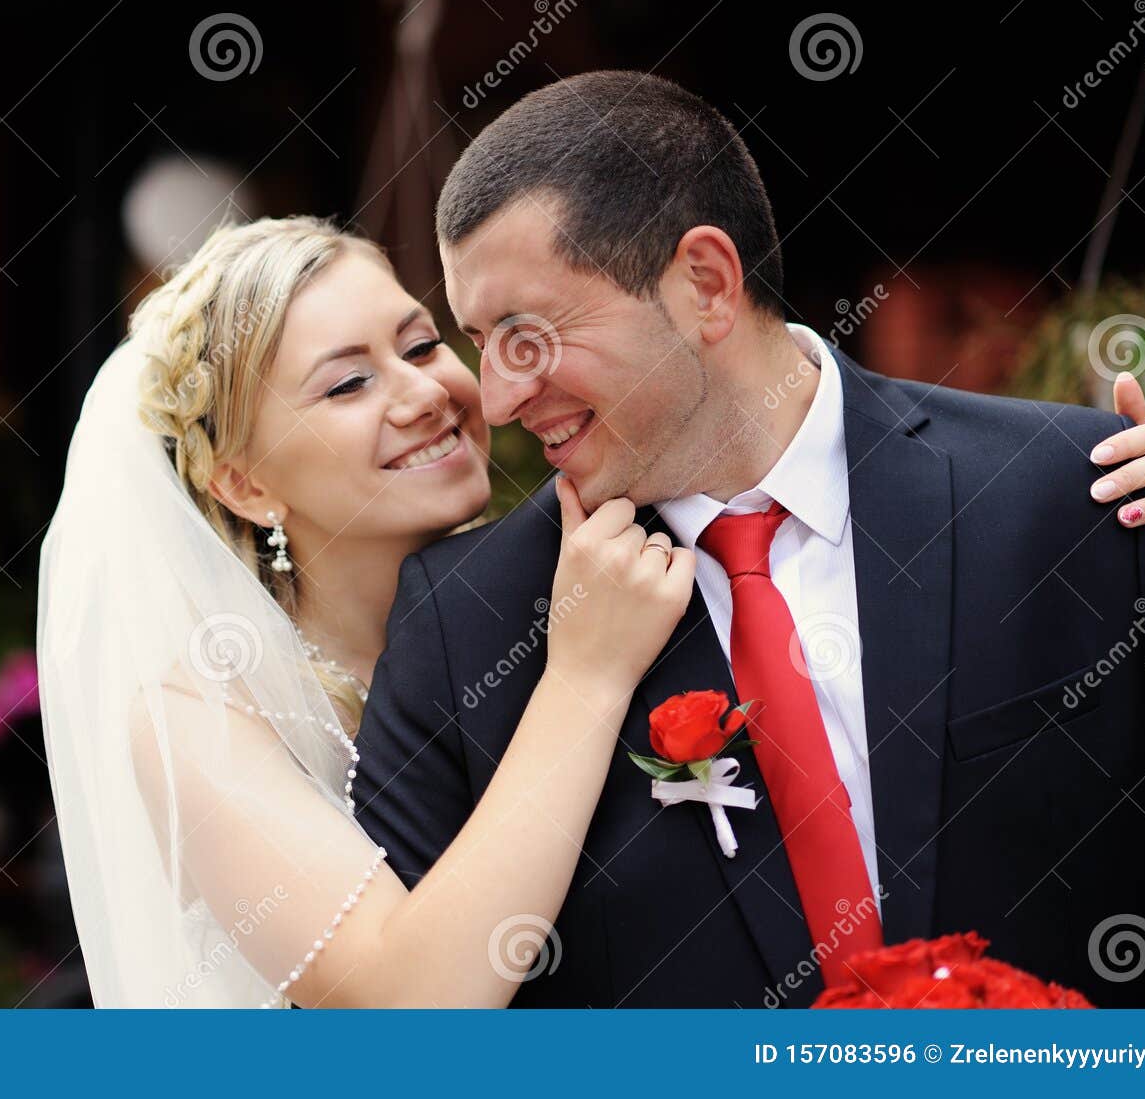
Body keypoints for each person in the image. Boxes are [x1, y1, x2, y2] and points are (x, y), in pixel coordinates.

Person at [352, 70, 1145, 1008]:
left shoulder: (1083, 496)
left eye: (527, 334)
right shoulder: (466, 626)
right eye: (477, 341)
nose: (494, 397)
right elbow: (392, 1037)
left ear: (704, 283)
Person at [37, 216, 696, 1007]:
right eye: (349, 383)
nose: (426, 392)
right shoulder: (201, 716)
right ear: (244, 483)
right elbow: (402, 1005)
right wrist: (586, 678)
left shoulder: (586, 582)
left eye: (421, 346)